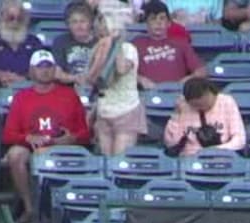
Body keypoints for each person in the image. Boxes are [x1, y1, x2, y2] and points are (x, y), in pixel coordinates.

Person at [3, 51, 91, 223]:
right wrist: (28, 138)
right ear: (31, 71)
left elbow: (86, 133)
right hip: (33, 148)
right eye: (40, 67)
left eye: (49, 66)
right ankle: (30, 209)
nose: (45, 71)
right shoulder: (22, 97)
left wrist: (72, 138)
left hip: (63, 146)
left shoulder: (69, 95)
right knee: (15, 155)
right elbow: (8, 134)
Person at [84, 6, 145, 156]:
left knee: (118, 160)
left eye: (105, 25)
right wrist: (102, 51)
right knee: (106, 159)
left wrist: (115, 44)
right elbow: (90, 78)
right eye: (100, 26)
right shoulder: (97, 49)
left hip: (126, 109)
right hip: (104, 110)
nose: (102, 30)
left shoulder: (128, 48)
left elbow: (121, 69)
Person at [163, 78, 246, 156]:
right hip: (190, 157)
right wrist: (176, 115)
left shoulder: (226, 102)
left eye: (203, 103)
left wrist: (214, 150)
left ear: (209, 93)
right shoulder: (184, 106)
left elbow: (240, 140)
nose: (200, 108)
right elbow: (171, 143)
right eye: (195, 105)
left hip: (221, 155)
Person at [134, 0, 207, 87]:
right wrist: (141, 79)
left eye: (162, 18)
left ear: (169, 23)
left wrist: (186, 80)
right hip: (148, 94)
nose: (158, 22)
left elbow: (202, 71)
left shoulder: (181, 43)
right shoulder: (137, 44)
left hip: (177, 93)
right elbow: (123, 72)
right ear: (146, 23)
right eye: (153, 18)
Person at [53, 2, 101, 86]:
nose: (79, 26)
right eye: (74, 22)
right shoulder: (60, 41)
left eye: (83, 21)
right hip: (68, 89)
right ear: (68, 25)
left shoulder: (100, 42)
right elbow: (57, 73)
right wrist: (75, 78)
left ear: (90, 23)